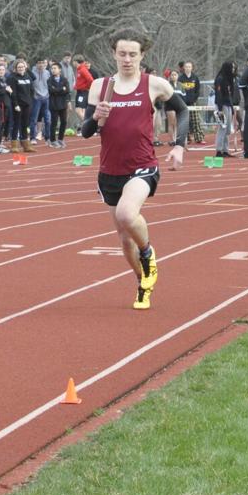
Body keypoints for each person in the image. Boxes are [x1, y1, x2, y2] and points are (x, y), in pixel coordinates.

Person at [82, 27, 186, 311]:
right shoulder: (100, 87)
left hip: (142, 166)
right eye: (122, 54)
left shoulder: (154, 84)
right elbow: (85, 132)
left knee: (129, 214)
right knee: (124, 239)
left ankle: (148, 252)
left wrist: (178, 145)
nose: (127, 59)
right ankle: (143, 283)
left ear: (142, 55)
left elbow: (183, 109)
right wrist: (96, 117)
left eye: (133, 54)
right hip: (109, 170)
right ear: (114, 54)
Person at [7, 58, 35, 152]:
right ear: (15, 68)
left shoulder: (28, 77)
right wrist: (15, 104)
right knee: (16, 124)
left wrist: (30, 101)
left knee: (25, 124)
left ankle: (26, 145)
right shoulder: (12, 78)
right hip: (18, 105)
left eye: (22, 67)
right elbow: (12, 93)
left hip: (27, 104)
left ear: (25, 67)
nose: (21, 68)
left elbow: (31, 90)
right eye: (19, 67)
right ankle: (14, 144)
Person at [212, 60, 239, 157]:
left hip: (228, 105)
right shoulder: (220, 79)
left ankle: (225, 150)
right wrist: (219, 109)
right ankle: (219, 150)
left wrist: (231, 108)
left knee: (227, 129)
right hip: (221, 105)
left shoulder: (229, 79)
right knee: (222, 128)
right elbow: (219, 94)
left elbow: (229, 95)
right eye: (231, 67)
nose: (233, 69)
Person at [176, 61, 204, 143]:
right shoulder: (180, 79)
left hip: (193, 103)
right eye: (186, 67)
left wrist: (194, 99)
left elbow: (198, 90)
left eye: (189, 67)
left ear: (192, 68)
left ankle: (199, 138)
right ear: (184, 68)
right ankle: (186, 138)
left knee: (196, 120)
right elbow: (179, 90)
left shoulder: (195, 78)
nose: (188, 68)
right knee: (185, 121)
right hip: (183, 103)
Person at [47, 62, 70, 148]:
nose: (53, 70)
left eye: (55, 68)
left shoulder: (64, 79)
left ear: (59, 69)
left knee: (64, 122)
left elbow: (67, 90)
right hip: (54, 104)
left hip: (63, 104)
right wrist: (61, 89)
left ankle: (60, 139)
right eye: (52, 68)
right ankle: (53, 140)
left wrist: (57, 90)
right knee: (54, 123)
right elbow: (51, 91)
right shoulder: (49, 80)